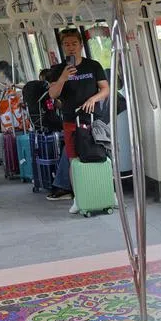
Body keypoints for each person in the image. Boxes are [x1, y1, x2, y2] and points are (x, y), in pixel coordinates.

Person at [45, 28, 110, 202]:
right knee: (74, 159)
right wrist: (63, 77)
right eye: (67, 44)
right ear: (63, 47)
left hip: (94, 119)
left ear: (81, 45)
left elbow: (105, 89)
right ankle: (78, 197)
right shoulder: (58, 69)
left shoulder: (93, 65)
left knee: (98, 154)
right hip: (70, 119)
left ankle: (102, 190)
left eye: (74, 43)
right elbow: (53, 94)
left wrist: (93, 99)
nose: (71, 47)